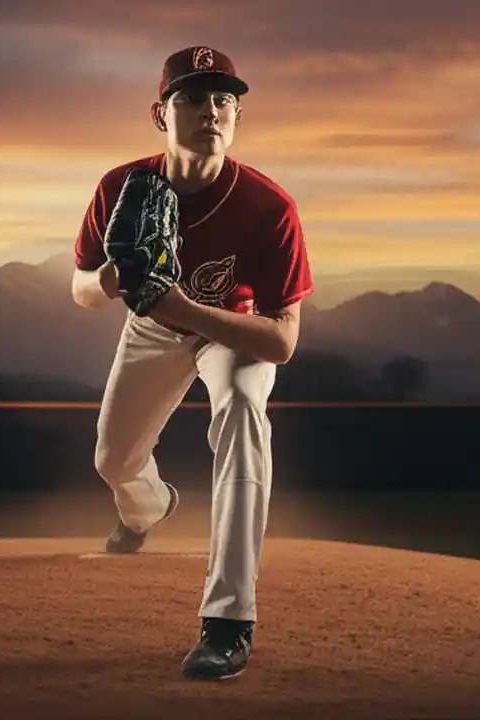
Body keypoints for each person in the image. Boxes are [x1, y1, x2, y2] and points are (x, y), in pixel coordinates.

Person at [69, 46, 314, 681]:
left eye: (224, 99)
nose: (212, 110)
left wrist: (188, 308)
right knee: (112, 460)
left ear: (236, 115)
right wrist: (115, 277)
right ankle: (148, 508)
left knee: (241, 411)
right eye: (193, 97)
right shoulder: (120, 185)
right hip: (152, 323)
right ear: (160, 112)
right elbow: (80, 290)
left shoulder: (269, 208)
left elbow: (282, 341)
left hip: (235, 330)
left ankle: (229, 620)